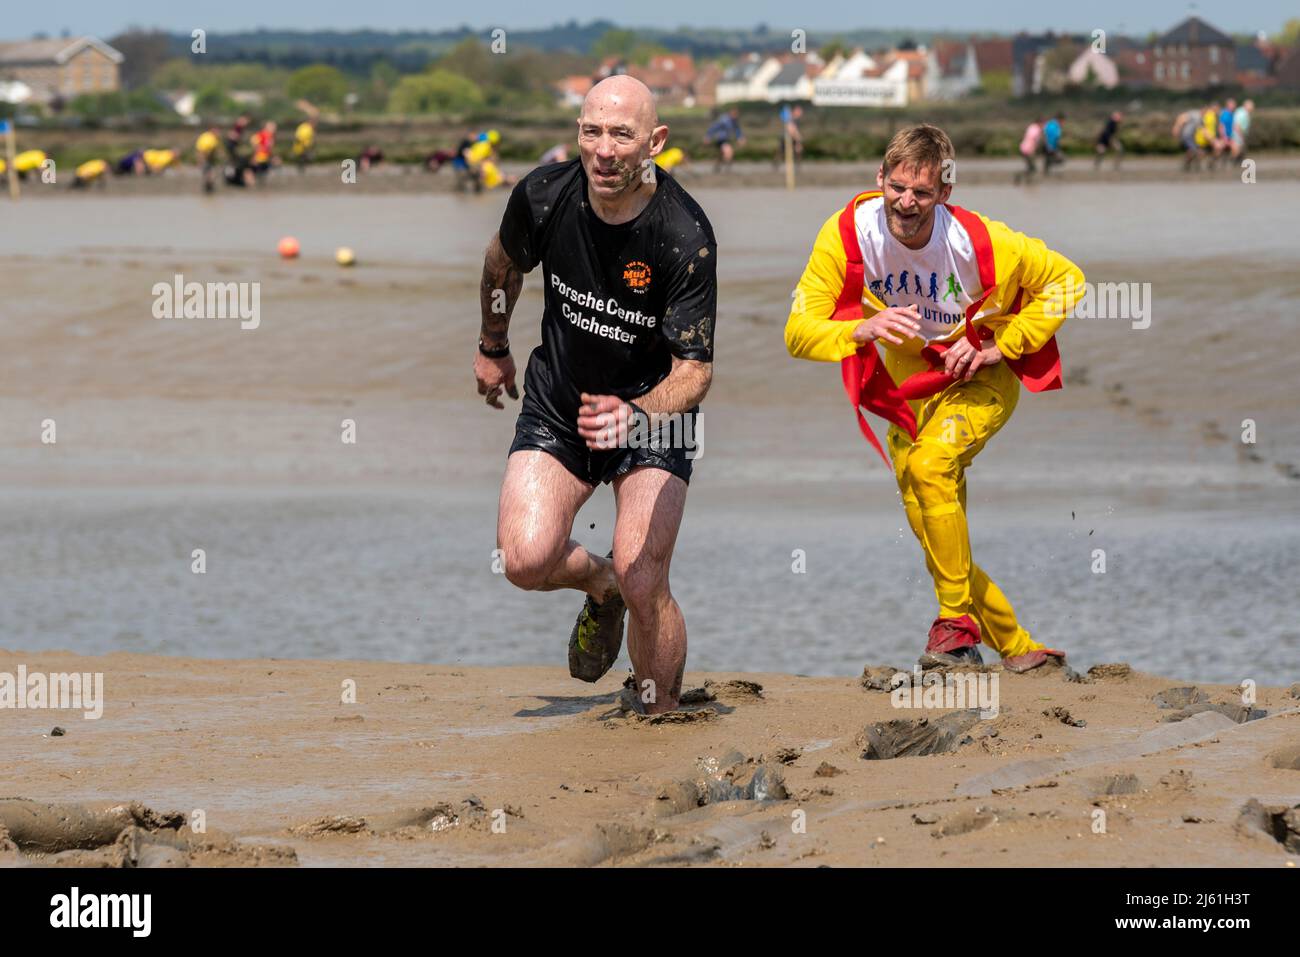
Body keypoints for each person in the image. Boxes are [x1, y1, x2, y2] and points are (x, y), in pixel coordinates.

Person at [784, 124, 1085, 673]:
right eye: (897, 186)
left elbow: (1068, 280)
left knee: (931, 465)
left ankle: (955, 628)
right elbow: (797, 332)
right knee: (934, 532)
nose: (906, 202)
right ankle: (1017, 649)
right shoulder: (849, 233)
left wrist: (1001, 346)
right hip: (909, 393)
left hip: (980, 380)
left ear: (944, 193)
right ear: (879, 179)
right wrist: (861, 329)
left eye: (922, 192)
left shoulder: (980, 242)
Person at [474, 75, 717, 714]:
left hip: (655, 415)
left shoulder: (684, 234)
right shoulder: (544, 196)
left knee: (647, 578)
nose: (604, 150)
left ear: (654, 142)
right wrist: (493, 346)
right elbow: (502, 263)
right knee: (524, 561)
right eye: (591, 131)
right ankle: (600, 584)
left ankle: (659, 712)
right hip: (562, 401)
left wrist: (636, 414)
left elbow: (695, 373)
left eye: (622, 134)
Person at [705, 107, 744, 171]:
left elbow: (737, 130)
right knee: (729, 152)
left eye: (737, 114)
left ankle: (717, 167)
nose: (736, 116)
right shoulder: (724, 120)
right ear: (731, 113)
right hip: (720, 139)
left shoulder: (734, 121)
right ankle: (727, 167)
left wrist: (740, 138)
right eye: (735, 114)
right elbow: (714, 127)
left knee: (721, 154)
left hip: (726, 139)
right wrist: (708, 136)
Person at [1015, 117, 1043, 183]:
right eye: (1043, 124)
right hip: (1028, 150)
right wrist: (1035, 146)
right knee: (1033, 168)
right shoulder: (1036, 129)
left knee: (1030, 167)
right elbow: (1033, 139)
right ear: (1039, 123)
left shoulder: (1031, 127)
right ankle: (1021, 177)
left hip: (1023, 148)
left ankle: (1027, 180)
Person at [775, 103, 803, 167]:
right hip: (786, 137)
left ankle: (798, 165)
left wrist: (798, 139)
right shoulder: (789, 117)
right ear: (795, 111)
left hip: (793, 137)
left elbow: (795, 130)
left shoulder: (796, 119)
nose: (800, 114)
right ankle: (776, 164)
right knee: (780, 151)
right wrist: (797, 138)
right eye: (799, 112)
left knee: (798, 151)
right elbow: (791, 129)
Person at [196, 127, 221, 193]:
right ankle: (208, 189)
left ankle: (208, 189)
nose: (219, 133)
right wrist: (201, 160)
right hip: (206, 159)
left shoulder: (210, 137)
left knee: (208, 175)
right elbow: (202, 151)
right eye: (217, 132)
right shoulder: (209, 139)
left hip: (208, 159)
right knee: (209, 175)